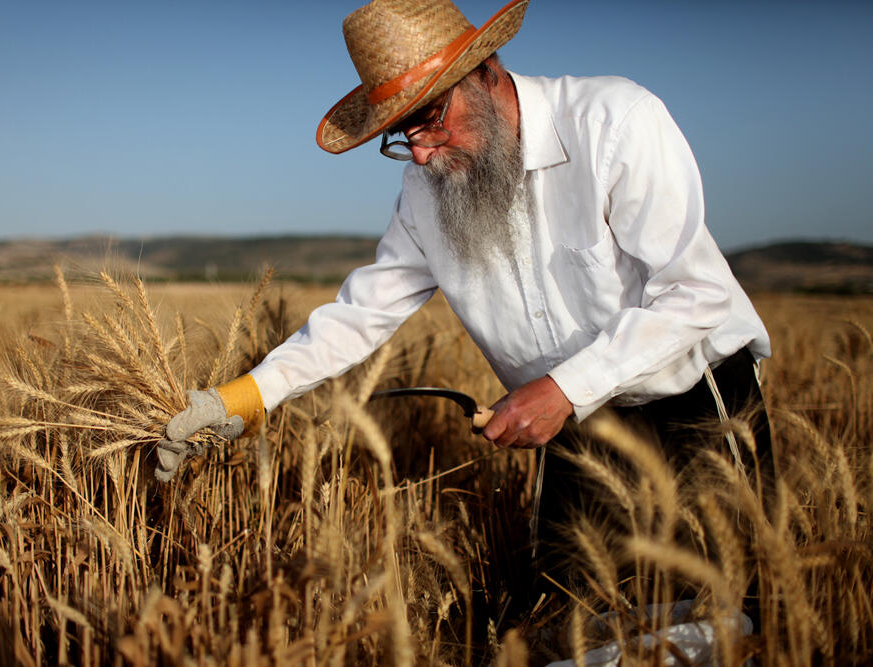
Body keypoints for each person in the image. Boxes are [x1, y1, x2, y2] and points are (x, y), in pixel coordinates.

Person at [155, 0, 773, 588]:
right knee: (579, 618)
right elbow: (361, 312)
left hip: (694, 402)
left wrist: (563, 388)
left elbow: (696, 294)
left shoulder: (614, 122)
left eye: (427, 119)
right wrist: (244, 396)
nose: (419, 153)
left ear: (486, 72)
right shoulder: (426, 191)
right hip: (575, 428)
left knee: (724, 614)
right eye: (399, 134)